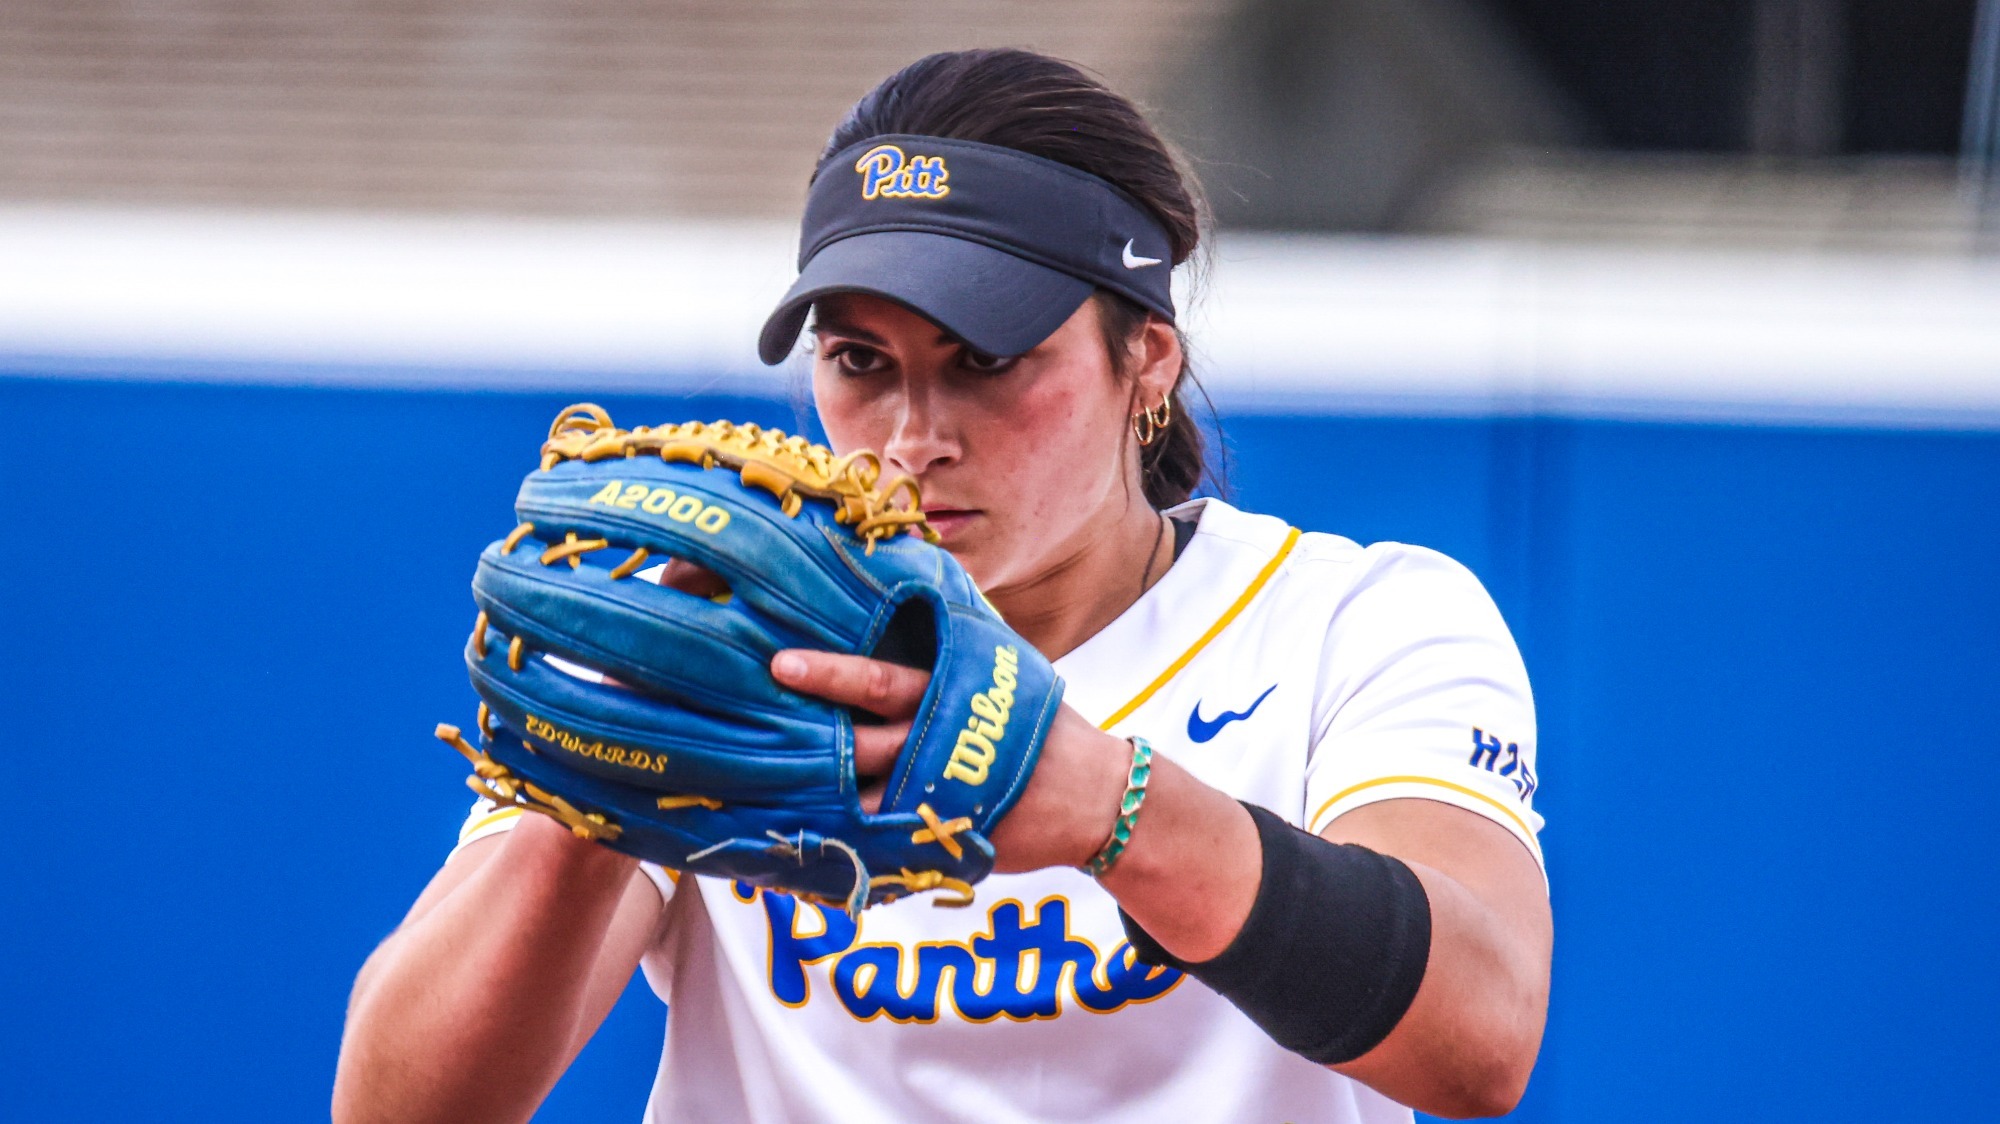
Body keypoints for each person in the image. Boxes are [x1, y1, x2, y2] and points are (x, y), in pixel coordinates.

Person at [333, 48, 1550, 1124]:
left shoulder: (1351, 620)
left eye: (985, 360)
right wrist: (595, 788)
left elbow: (1479, 1041)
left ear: (1149, 363)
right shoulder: (733, 638)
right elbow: (397, 1108)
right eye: (861, 360)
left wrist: (1107, 807)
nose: (913, 435)